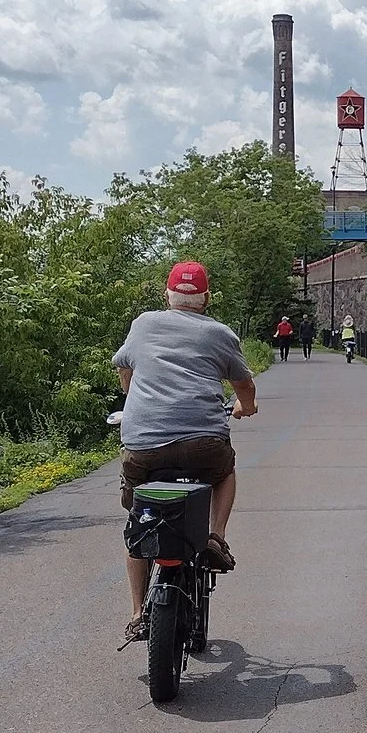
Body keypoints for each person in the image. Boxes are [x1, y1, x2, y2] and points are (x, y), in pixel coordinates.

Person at [115, 259, 255, 644]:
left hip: (144, 448)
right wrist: (246, 407)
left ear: (167, 296)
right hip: (203, 445)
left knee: (139, 522)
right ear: (206, 298)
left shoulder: (143, 324)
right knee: (224, 472)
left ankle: (137, 615)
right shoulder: (220, 334)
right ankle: (216, 538)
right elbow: (244, 385)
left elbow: (124, 367)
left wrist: (132, 396)